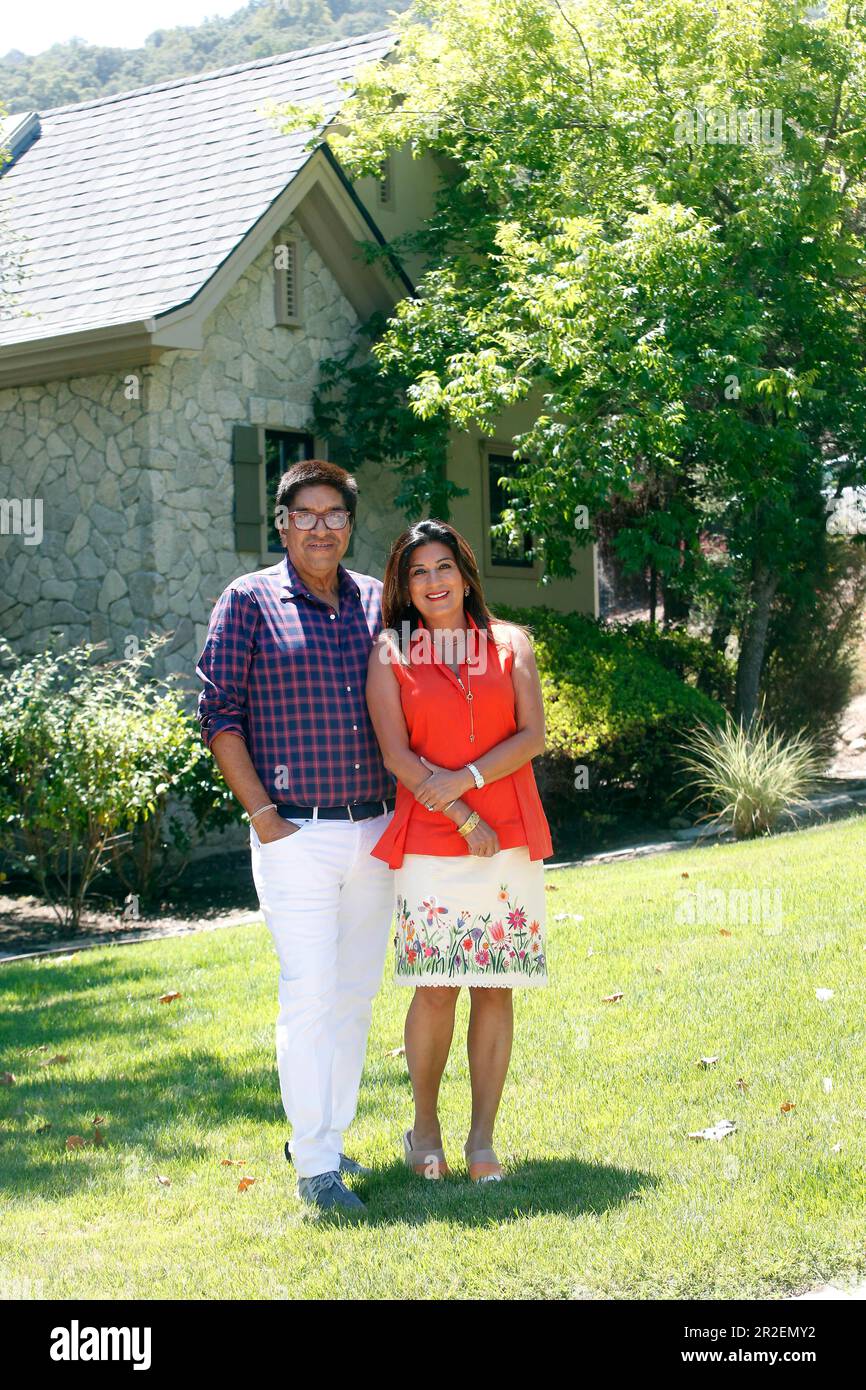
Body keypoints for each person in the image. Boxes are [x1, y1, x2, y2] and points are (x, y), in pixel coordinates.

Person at [195, 459, 396, 1217]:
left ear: (350, 524)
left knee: (353, 997)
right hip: (294, 835)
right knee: (308, 995)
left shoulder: (379, 601)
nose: (320, 528)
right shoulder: (248, 601)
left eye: (334, 516)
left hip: (376, 829)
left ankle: (329, 1139)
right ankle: (314, 1165)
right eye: (304, 515)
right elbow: (219, 714)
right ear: (283, 524)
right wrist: (263, 818)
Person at [365, 519, 552, 1183]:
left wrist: (472, 784)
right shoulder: (391, 651)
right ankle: (424, 1129)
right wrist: (461, 812)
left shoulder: (510, 644)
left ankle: (481, 1141)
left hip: (507, 835)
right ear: (404, 588)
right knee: (437, 986)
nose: (433, 582)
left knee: (495, 986)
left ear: (466, 575)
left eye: (444, 567)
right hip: (433, 837)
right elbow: (396, 754)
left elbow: (532, 736)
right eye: (418, 573)